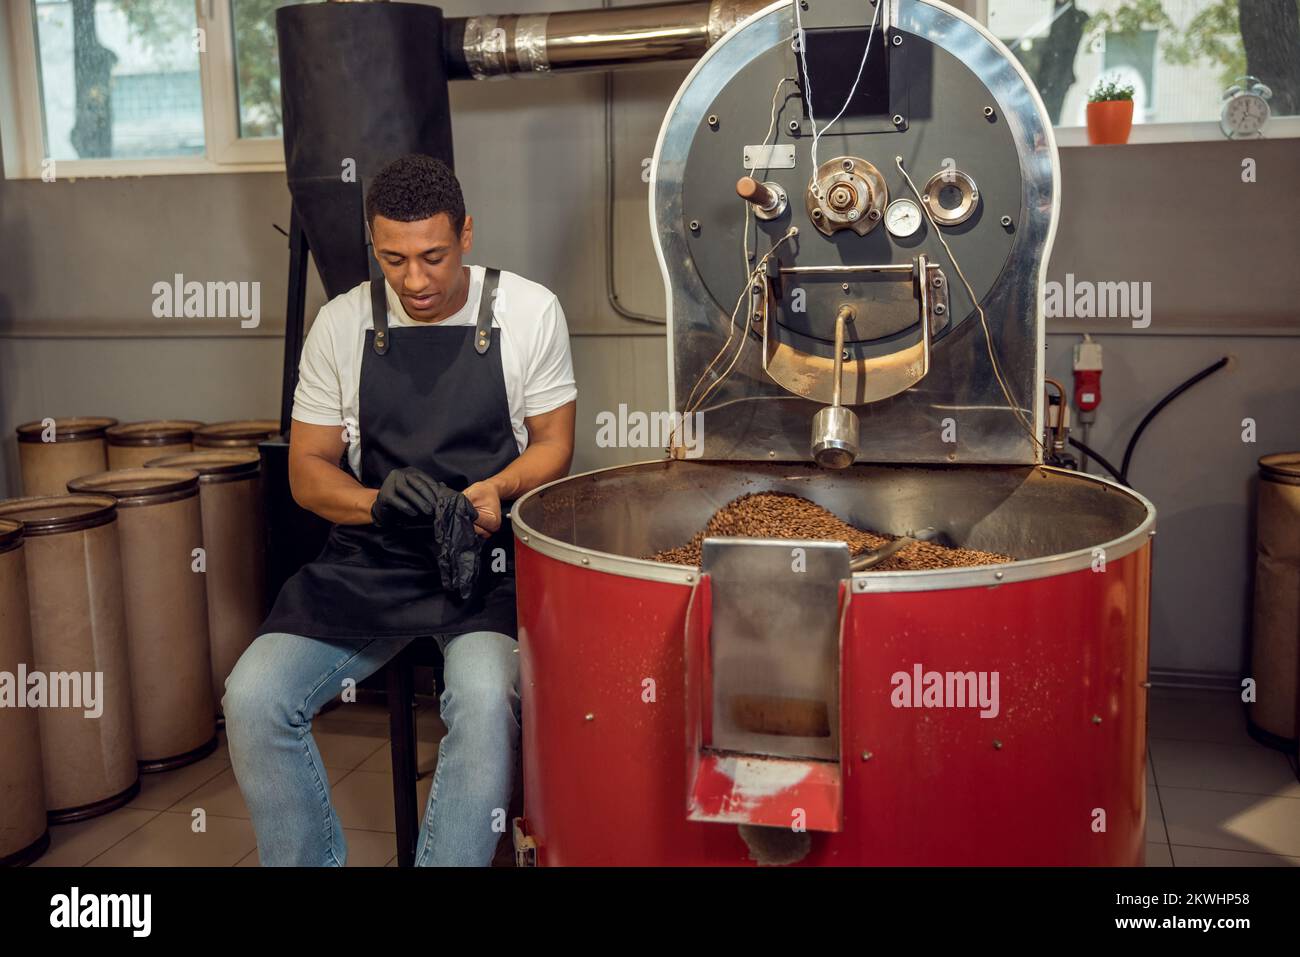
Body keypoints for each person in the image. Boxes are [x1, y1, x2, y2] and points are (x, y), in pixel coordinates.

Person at [224, 154, 577, 866]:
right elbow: (306, 474)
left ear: (466, 234)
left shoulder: (529, 310)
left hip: (486, 568)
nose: (414, 280)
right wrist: (372, 501)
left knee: (482, 699)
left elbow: (554, 447)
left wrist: (496, 490)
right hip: (370, 561)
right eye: (393, 259)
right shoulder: (341, 323)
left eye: (432, 257)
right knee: (253, 698)